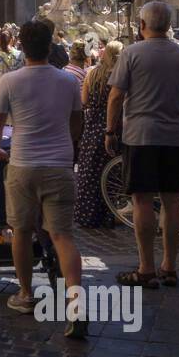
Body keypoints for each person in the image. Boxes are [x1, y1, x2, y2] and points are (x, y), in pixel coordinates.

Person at [0, 18, 86, 337]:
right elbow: (76, 124)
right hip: (59, 165)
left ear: (22, 47)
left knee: (21, 231)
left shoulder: (10, 81)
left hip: (23, 163)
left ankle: (26, 295)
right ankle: (76, 305)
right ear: (50, 45)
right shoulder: (69, 81)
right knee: (62, 236)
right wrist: (65, 147)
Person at [106, 1, 179, 288]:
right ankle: (169, 266)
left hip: (140, 137)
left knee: (142, 200)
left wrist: (111, 130)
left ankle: (146, 267)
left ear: (142, 25)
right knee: (173, 201)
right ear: (169, 25)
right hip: (175, 137)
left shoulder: (131, 53)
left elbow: (115, 97)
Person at [75, 40, 123, 228]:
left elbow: (84, 101)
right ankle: (110, 215)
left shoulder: (92, 74)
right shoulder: (119, 76)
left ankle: (87, 215)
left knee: (89, 174)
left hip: (92, 129)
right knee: (111, 175)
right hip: (113, 129)